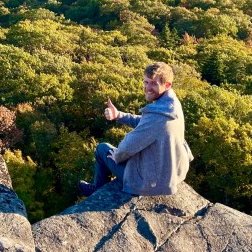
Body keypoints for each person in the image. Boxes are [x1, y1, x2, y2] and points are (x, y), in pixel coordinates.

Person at [78, 62, 193, 197]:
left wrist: (118, 155)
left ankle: (97, 191)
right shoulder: (171, 106)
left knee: (102, 149)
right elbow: (146, 123)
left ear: (167, 85)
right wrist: (119, 116)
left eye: (153, 84)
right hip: (172, 172)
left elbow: (128, 147)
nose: (147, 88)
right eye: (146, 82)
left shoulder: (158, 116)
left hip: (150, 183)